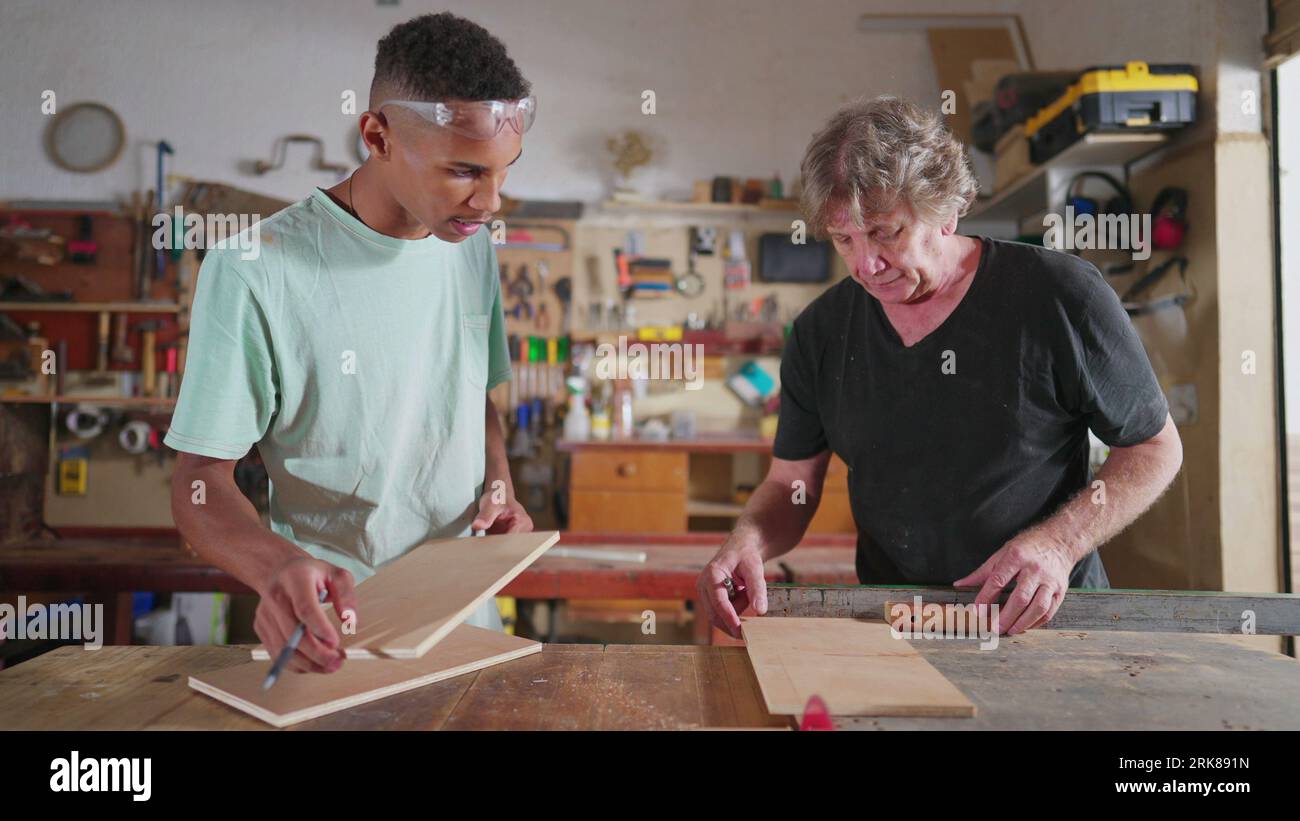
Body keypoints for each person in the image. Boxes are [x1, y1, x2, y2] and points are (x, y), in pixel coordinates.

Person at [698, 96, 1183, 638]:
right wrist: (749, 540)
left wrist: (1058, 544)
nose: (866, 265)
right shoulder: (820, 332)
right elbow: (793, 484)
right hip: (898, 622)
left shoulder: (1059, 296)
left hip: (1042, 618)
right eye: (844, 240)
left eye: (885, 232)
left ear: (947, 211)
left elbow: (1154, 448)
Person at [168, 13, 534, 674]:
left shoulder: (469, 247)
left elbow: (474, 394)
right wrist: (277, 564)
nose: (490, 202)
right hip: (334, 633)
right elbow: (198, 481)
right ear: (377, 135)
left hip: (466, 627)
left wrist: (499, 485)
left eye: (503, 174)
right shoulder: (255, 267)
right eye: (464, 171)